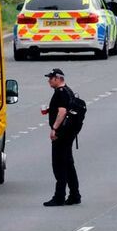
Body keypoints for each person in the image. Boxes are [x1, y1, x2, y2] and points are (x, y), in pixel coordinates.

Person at [43, 68, 80, 207]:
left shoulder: (61, 93)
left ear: (58, 78)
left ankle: (59, 197)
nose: (49, 80)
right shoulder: (68, 91)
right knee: (68, 165)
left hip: (62, 134)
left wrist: (54, 129)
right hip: (69, 133)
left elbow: (62, 111)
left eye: (51, 78)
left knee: (59, 165)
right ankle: (75, 195)